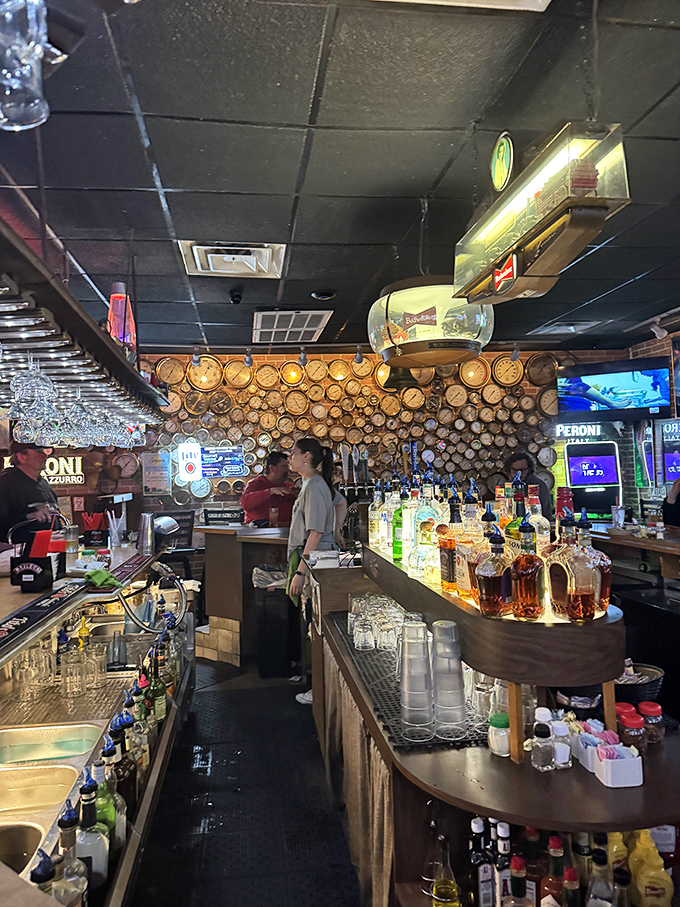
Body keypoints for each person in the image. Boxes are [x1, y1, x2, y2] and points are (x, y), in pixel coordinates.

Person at [286, 438, 337, 705]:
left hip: (317, 564)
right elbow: (339, 503)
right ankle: (318, 687)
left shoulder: (315, 485)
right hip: (313, 561)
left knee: (317, 627)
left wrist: (301, 572)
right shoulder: (311, 484)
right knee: (312, 626)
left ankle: (321, 691)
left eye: (292, 453)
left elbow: (315, 533)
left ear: (307, 456)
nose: (289, 458)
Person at [0, 442, 58, 543]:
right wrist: (28, 516)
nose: (45, 456)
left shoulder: (43, 483)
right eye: (39, 452)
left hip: (50, 548)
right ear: (21, 457)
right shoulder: (6, 483)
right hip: (20, 552)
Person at [239, 451, 297, 525]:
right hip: (259, 533)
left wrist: (298, 495)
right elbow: (244, 503)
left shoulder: (288, 487)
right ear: (272, 468)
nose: (288, 471)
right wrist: (269, 492)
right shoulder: (256, 484)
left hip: (286, 531)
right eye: (284, 467)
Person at [504, 449, 552, 517]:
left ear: (529, 469)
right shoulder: (509, 486)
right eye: (515, 470)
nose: (519, 474)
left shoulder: (537, 485)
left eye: (523, 470)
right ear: (509, 470)